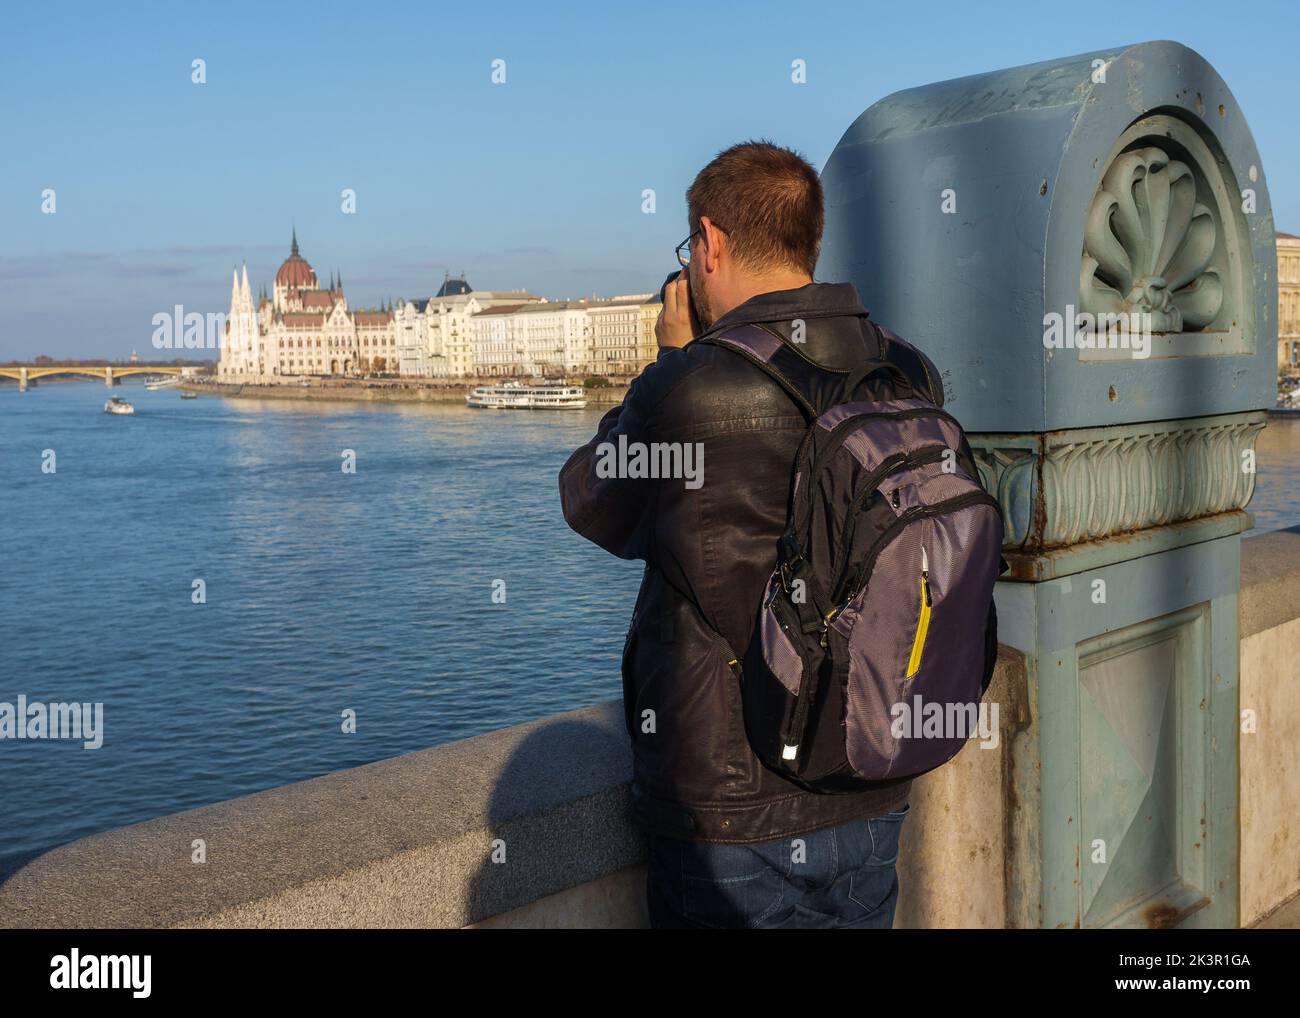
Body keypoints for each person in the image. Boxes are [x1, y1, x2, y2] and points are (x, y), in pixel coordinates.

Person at [559, 140, 946, 929]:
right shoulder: (906, 368)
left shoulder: (692, 384)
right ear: (809, 242)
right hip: (872, 773)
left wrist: (666, 361)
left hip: (730, 809)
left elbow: (592, 499)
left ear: (711, 242)